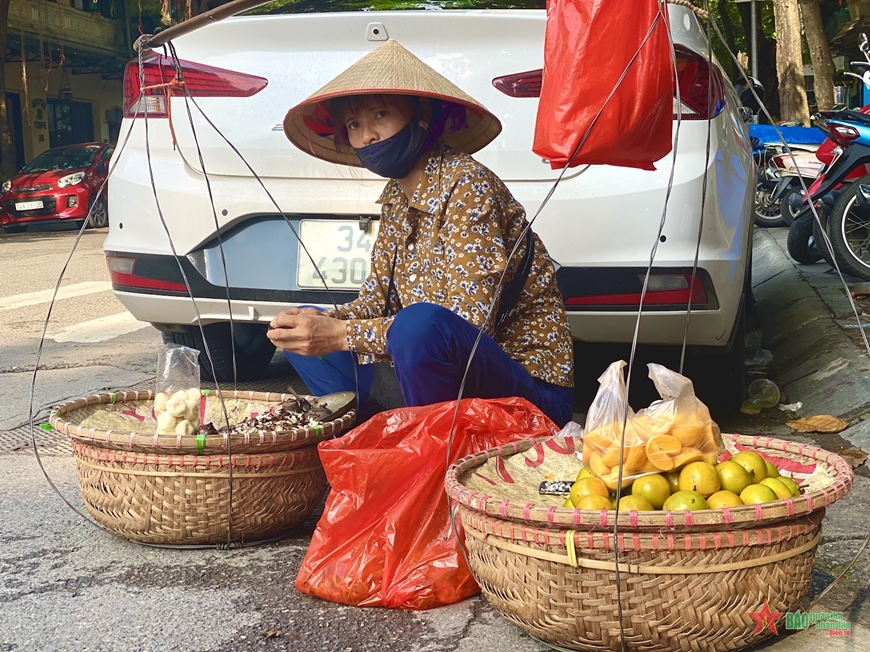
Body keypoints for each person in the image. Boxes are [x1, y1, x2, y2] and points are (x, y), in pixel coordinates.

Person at [269, 39, 574, 426]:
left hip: (525, 394)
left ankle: (427, 453)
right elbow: (375, 301)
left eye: (381, 115)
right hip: (441, 383)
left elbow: (464, 324)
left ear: (423, 117)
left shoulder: (469, 186)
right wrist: (318, 326)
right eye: (355, 125)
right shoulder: (397, 197)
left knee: (417, 325)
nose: (368, 137)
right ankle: (377, 438)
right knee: (306, 331)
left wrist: (342, 334)